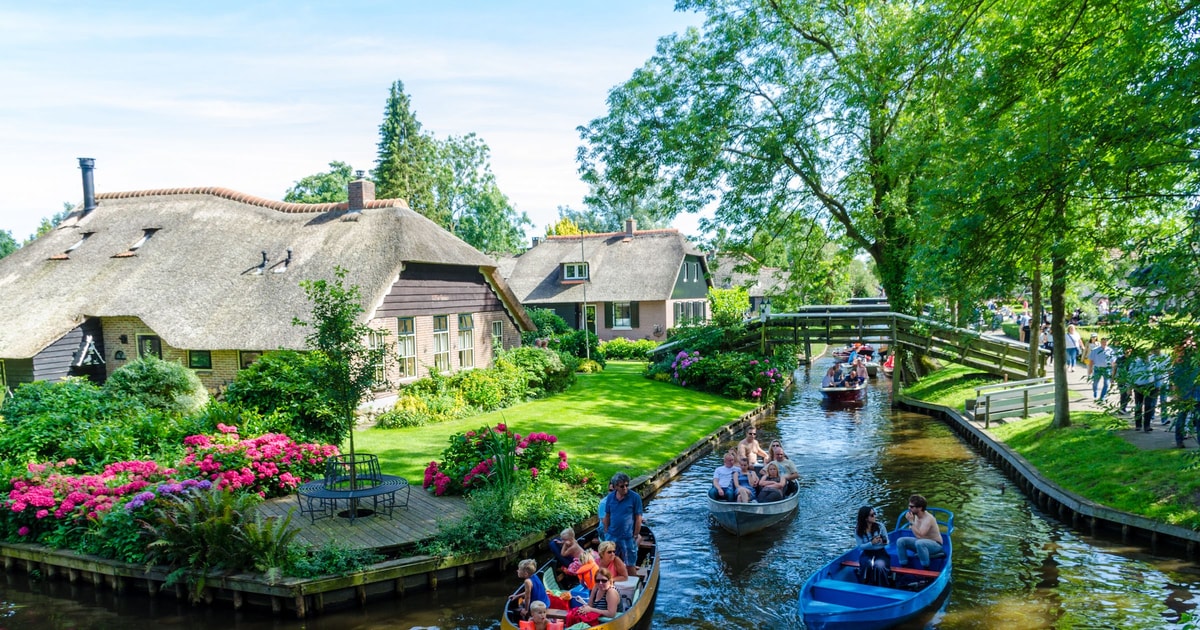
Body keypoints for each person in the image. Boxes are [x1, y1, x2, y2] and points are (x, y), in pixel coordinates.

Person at [603, 472, 643, 569]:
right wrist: (606, 531)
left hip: (628, 537)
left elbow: (638, 518)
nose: (625, 488)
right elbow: (607, 515)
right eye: (622, 486)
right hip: (612, 536)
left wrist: (636, 534)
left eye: (627, 485)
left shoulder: (635, 497)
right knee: (609, 563)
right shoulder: (610, 497)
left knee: (630, 565)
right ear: (615, 486)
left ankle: (632, 578)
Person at [896, 494, 943, 570]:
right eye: (909, 506)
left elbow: (920, 536)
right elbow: (915, 530)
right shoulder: (916, 515)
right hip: (921, 543)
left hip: (935, 545)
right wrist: (912, 524)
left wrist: (911, 522)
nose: (909, 508)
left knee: (919, 543)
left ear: (920, 508)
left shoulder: (928, 519)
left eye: (911, 507)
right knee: (900, 541)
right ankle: (904, 566)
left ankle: (926, 568)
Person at [854, 506, 891, 587]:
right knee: (867, 564)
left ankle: (882, 586)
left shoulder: (880, 526)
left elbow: (887, 541)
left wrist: (883, 541)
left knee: (879, 565)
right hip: (867, 553)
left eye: (874, 514)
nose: (874, 516)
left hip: (881, 553)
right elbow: (860, 546)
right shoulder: (858, 530)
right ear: (865, 518)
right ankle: (865, 585)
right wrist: (871, 543)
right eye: (872, 515)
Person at [1087, 337, 1116, 402]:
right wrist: (1090, 369)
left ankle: (1102, 397)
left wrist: (1113, 372)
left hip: (1107, 369)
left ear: (1107, 343)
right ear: (1100, 342)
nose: (1104, 343)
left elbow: (1113, 362)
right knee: (1095, 382)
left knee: (1106, 384)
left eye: (1105, 342)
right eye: (1103, 342)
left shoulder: (1110, 351)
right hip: (1098, 368)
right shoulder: (1095, 350)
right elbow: (1091, 361)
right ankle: (1095, 390)